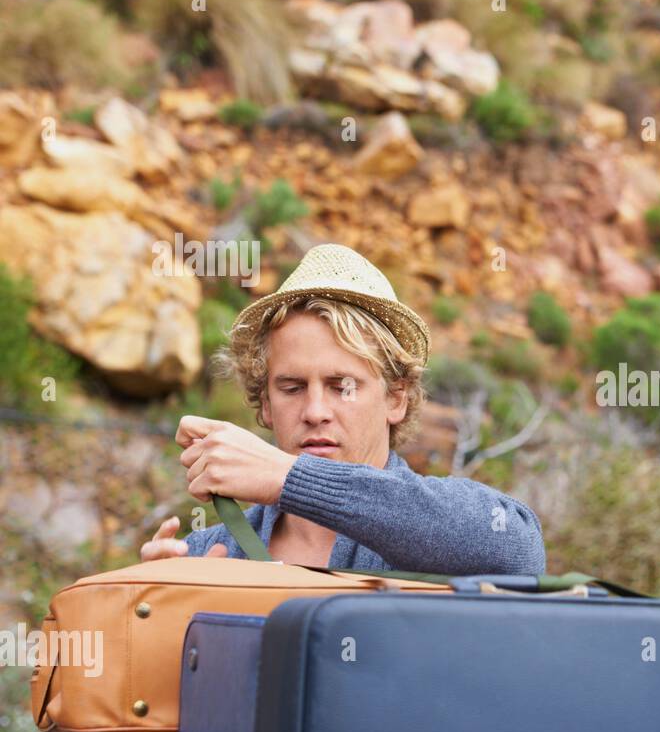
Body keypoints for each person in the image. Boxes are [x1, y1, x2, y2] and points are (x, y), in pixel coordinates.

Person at [140, 243, 546, 575]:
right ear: (265, 404)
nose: (315, 411)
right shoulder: (208, 554)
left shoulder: (442, 534)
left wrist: (289, 477)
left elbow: (518, 548)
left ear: (396, 398)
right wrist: (155, 605)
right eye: (292, 388)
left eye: (342, 387)